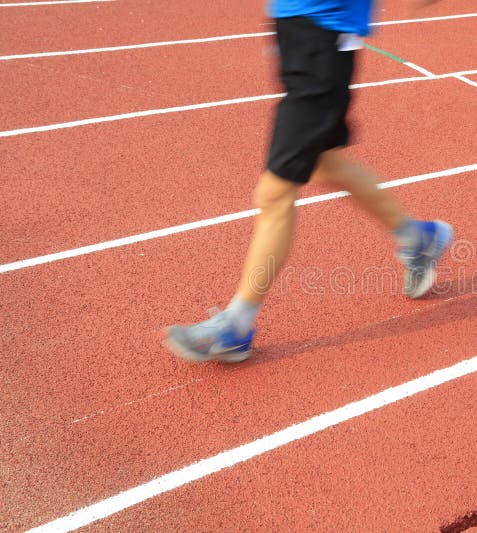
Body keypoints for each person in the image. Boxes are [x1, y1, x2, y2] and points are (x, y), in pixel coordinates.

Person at [163, 0, 453, 363]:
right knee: (324, 165)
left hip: (324, 41)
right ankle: (418, 238)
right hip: (299, 34)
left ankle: (236, 326)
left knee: (275, 192)